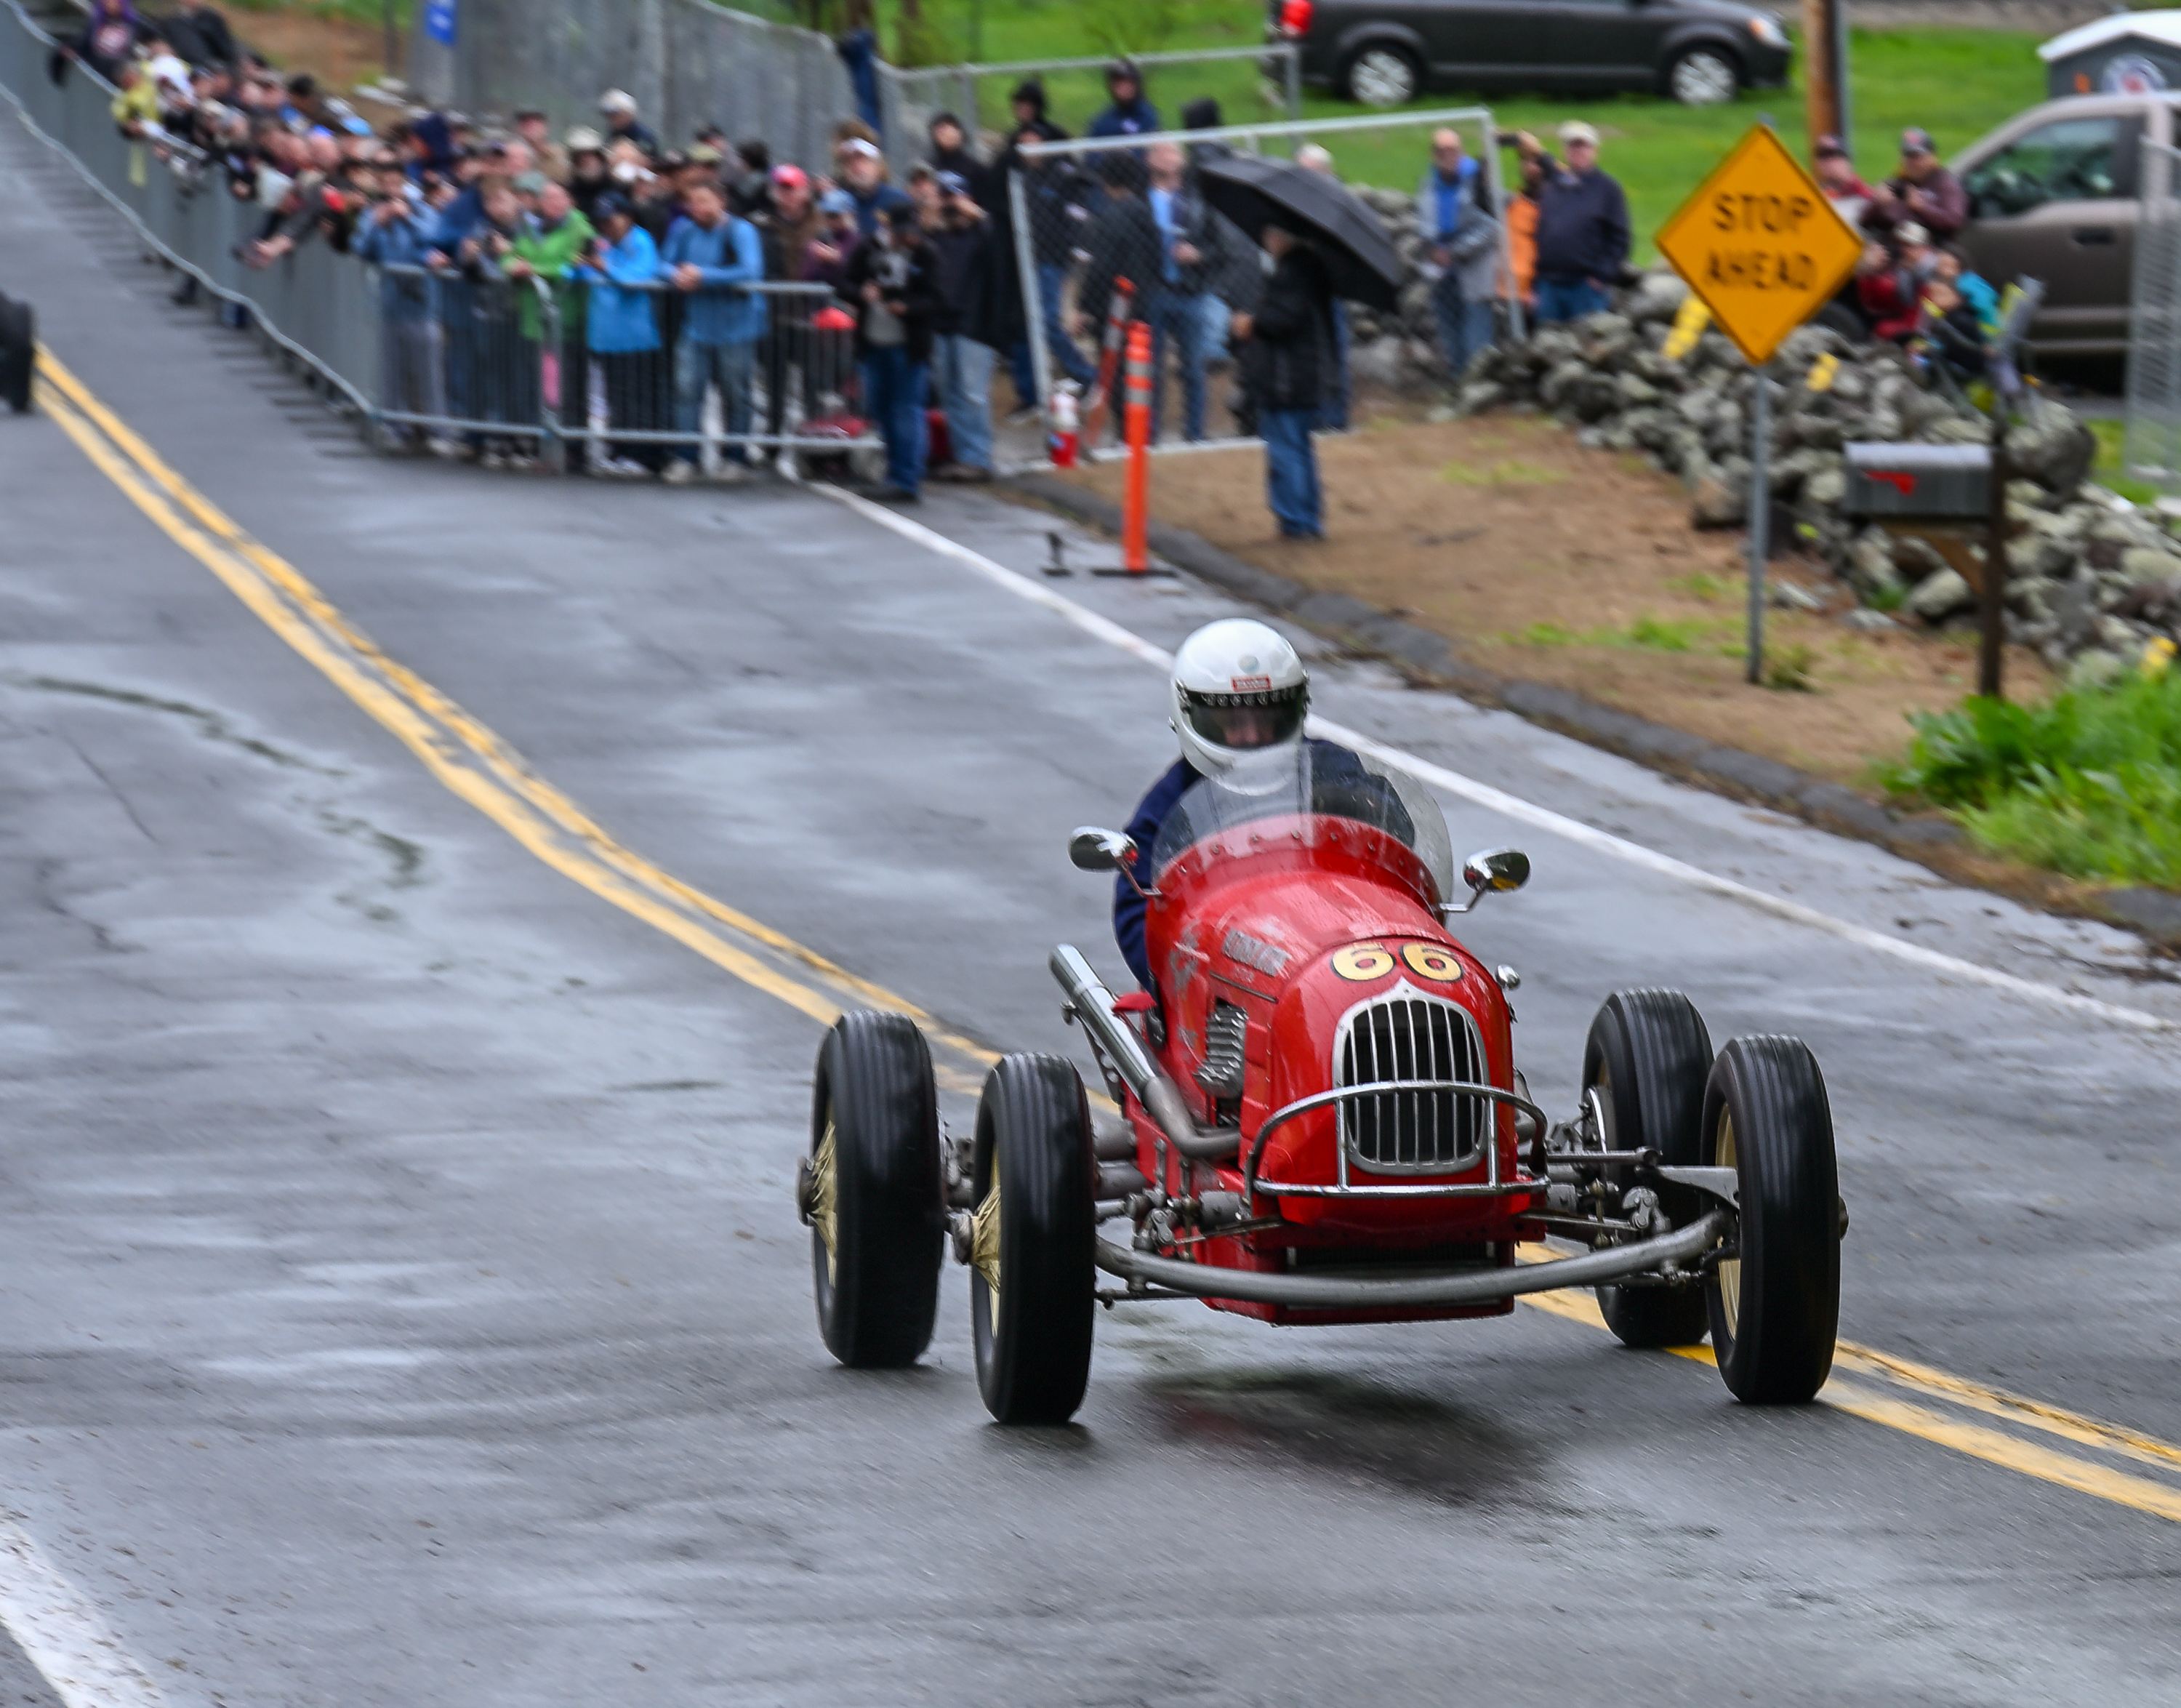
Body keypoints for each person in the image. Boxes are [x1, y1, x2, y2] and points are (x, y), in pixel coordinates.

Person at [1113, 620, 1312, 990]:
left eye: (1268, 717)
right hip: (1224, 984)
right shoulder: (1170, 803)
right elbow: (1136, 909)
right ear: (1191, 714)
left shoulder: (1342, 777)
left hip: (1325, 958)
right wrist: (1187, 983)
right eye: (1232, 721)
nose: (1252, 735)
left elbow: (1399, 850)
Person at [659, 177, 767, 481]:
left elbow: (751, 270)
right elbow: (663, 263)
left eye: (704, 201)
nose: (697, 208)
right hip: (696, 327)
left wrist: (702, 276)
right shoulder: (684, 230)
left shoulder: (740, 231)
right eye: (693, 202)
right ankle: (686, 456)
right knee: (687, 392)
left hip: (736, 329)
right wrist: (676, 275)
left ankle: (735, 456)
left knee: (736, 394)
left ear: (721, 201)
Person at [1234, 221, 1333, 540]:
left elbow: (1282, 320)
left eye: (1268, 234)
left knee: (1286, 448)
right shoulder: (1309, 268)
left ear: (1280, 237)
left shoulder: (1292, 273)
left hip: (1287, 376)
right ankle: (1306, 518)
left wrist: (1251, 323)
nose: (1265, 240)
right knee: (1299, 447)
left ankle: (1295, 521)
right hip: (1302, 373)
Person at [842, 203, 939, 502]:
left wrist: (908, 308)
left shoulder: (926, 254)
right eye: (901, 234)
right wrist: (861, 294)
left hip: (907, 346)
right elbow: (844, 282)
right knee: (882, 410)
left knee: (907, 410)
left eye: (911, 234)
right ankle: (892, 472)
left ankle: (907, 478)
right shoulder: (868, 249)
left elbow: (936, 299)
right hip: (874, 343)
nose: (907, 239)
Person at [569, 193, 667, 476]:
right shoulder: (602, 244)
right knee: (616, 397)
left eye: (611, 220)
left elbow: (638, 277)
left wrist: (605, 267)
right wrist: (577, 268)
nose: (606, 226)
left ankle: (645, 455)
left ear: (627, 217)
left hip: (635, 337)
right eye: (602, 222)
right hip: (605, 336)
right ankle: (621, 449)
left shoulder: (641, 241)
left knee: (638, 397)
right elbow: (585, 275)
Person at [505, 179, 595, 469]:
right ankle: (542, 447)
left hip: (567, 319)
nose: (553, 204)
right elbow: (510, 254)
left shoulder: (580, 228)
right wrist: (511, 266)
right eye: (548, 198)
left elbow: (573, 264)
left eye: (559, 198)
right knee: (541, 388)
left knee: (569, 389)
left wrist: (534, 270)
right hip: (535, 319)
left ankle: (573, 451)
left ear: (569, 201)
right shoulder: (530, 227)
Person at [1072, 149, 1162, 436]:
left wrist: (1084, 308)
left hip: (1113, 310)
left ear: (1105, 181)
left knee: (1116, 377)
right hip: (1144, 305)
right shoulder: (1146, 215)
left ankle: (1128, 436)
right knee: (1141, 375)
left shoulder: (1107, 220)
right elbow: (1157, 260)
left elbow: (1100, 269)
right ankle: (1144, 435)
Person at [925, 171, 1001, 482]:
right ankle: (961, 455)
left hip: (975, 324)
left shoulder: (984, 235)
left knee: (972, 393)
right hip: (942, 322)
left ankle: (979, 457)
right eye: (945, 198)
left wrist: (978, 216)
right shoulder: (935, 237)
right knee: (948, 391)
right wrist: (931, 218)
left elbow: (1004, 246)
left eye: (954, 197)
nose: (950, 206)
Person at [1144, 140, 1222, 442]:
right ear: (1150, 159)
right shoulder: (1143, 200)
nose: (1169, 157)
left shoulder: (1198, 202)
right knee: (1153, 369)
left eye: (1174, 151)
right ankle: (1149, 435)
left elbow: (1219, 247)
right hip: (1154, 292)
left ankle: (1195, 435)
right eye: (1161, 151)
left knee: (1193, 368)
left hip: (1190, 292)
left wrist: (1198, 255)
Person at [1519, 121, 1629, 324]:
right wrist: (1535, 283)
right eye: (1572, 146)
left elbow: (1620, 238)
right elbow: (1541, 234)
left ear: (1594, 151)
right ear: (1565, 151)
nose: (1578, 151)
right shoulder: (1553, 186)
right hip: (1549, 285)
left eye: (1583, 146)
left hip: (1585, 288)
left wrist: (1601, 276)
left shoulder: (1608, 189)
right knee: (1548, 348)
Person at [1417, 127, 1496, 381]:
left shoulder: (1478, 181)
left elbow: (1492, 226)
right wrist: (1431, 248)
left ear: (1460, 151)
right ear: (1433, 154)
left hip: (1472, 270)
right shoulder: (1428, 183)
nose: (1447, 155)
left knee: (1476, 337)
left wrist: (1456, 251)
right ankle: (1456, 382)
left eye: (1452, 150)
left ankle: (1476, 387)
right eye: (1441, 150)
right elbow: (1423, 220)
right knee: (1449, 332)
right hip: (1440, 271)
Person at [1870, 127, 1967, 242]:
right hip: (1897, 248)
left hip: (1933, 247)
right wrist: (1878, 205)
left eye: (1917, 157)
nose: (1912, 162)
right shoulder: (1898, 182)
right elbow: (1864, 221)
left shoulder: (1945, 183)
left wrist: (1922, 208)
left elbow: (1954, 221)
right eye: (1908, 156)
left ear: (1932, 157)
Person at [838, 136, 912, 238]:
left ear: (878, 166)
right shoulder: (839, 203)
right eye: (850, 162)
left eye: (863, 161)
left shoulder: (898, 201)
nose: (856, 167)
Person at [1812, 134, 1874, 230]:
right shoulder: (1815, 192)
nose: (1828, 161)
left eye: (1833, 154)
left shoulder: (1862, 193)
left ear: (1847, 160)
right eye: (1822, 155)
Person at [1088, 58, 1160, 142]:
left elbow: (1147, 147)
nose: (1124, 88)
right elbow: (1091, 148)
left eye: (1128, 83)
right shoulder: (1104, 119)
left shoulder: (1147, 115)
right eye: (1118, 84)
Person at [164, 0, 236, 69]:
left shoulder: (212, 18)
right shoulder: (172, 22)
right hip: (188, 67)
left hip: (215, 67)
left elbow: (225, 47)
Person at [598, 89, 659, 159]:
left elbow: (649, 159)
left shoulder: (643, 136)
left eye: (616, 115)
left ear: (628, 114)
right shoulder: (613, 133)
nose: (612, 119)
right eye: (609, 115)